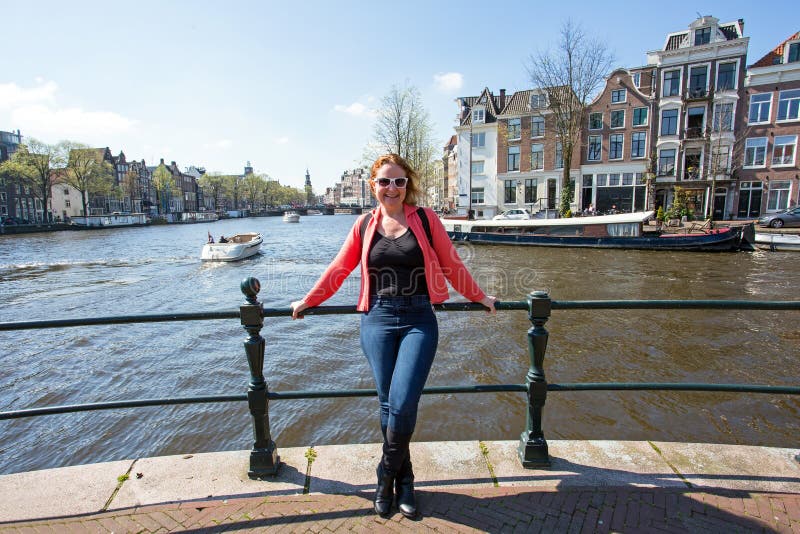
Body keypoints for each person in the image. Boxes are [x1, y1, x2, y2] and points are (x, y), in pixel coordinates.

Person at [290, 153, 496, 519]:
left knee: (401, 404)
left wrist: (479, 296)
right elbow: (340, 267)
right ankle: (406, 480)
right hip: (378, 319)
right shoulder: (364, 225)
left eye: (399, 181)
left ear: (407, 185)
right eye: (385, 181)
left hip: (419, 317)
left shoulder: (425, 219)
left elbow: (451, 263)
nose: (392, 188)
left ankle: (384, 476)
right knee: (387, 407)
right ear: (374, 186)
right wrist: (309, 299)